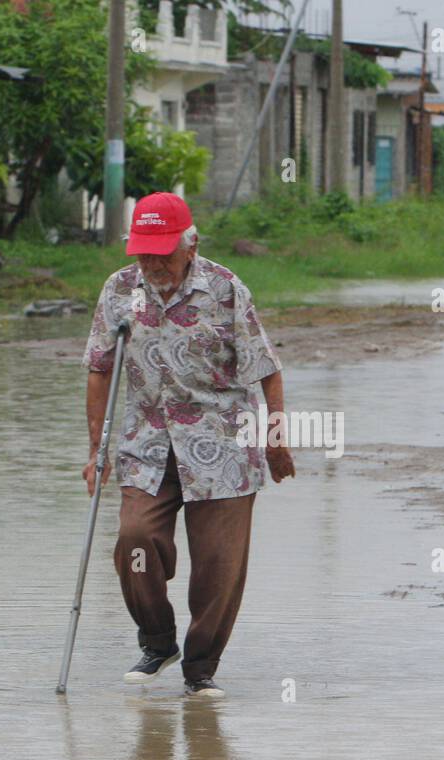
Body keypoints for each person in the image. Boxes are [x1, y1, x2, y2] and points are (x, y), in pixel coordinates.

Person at [81, 192, 294, 700]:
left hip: (222, 447)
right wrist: (97, 450)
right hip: (147, 445)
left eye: (162, 251)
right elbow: (99, 368)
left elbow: (266, 367)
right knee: (135, 539)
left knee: (219, 566)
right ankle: (158, 641)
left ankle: (200, 668)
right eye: (142, 251)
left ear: (189, 242)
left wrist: (277, 436)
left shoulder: (225, 289)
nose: (152, 262)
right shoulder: (119, 291)